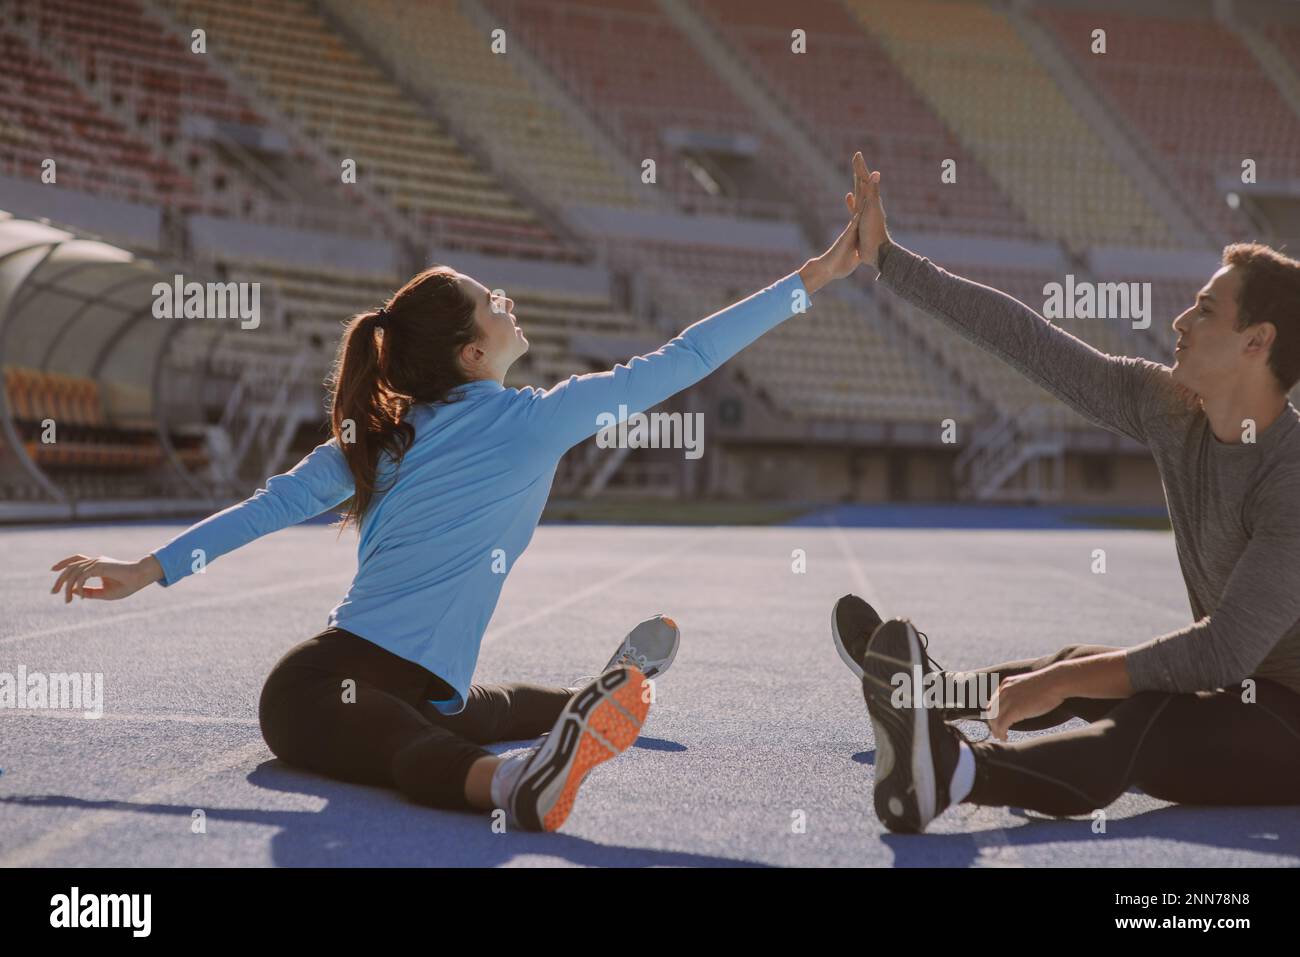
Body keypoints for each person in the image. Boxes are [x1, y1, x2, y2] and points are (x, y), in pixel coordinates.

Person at [48, 161, 871, 832]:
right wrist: (814, 277)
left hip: (392, 679)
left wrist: (143, 569)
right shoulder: (529, 421)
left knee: (422, 703)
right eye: (491, 300)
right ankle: (555, 742)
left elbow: (268, 505)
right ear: (474, 350)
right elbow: (688, 354)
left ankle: (550, 745)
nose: (506, 301)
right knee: (449, 725)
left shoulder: (393, 434)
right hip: (378, 688)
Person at [833, 152, 1300, 834]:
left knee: (1139, 712)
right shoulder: (1173, 409)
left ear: (1257, 341)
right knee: (1080, 664)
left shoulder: (1292, 477)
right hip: (1239, 697)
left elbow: (1223, 651)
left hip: (1290, 725)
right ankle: (924, 697)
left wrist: (1054, 688)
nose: (1181, 321)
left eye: (1205, 310)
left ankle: (954, 771)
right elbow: (1031, 342)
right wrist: (890, 259)